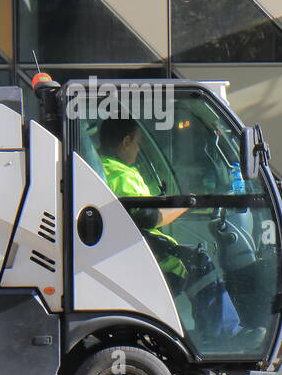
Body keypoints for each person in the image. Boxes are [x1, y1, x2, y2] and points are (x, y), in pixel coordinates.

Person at [96, 117, 243, 345]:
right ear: (125, 142)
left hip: (131, 250)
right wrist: (189, 203)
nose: (138, 149)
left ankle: (200, 336)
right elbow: (148, 217)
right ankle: (222, 336)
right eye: (137, 143)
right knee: (198, 262)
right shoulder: (120, 174)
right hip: (147, 257)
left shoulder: (102, 166)